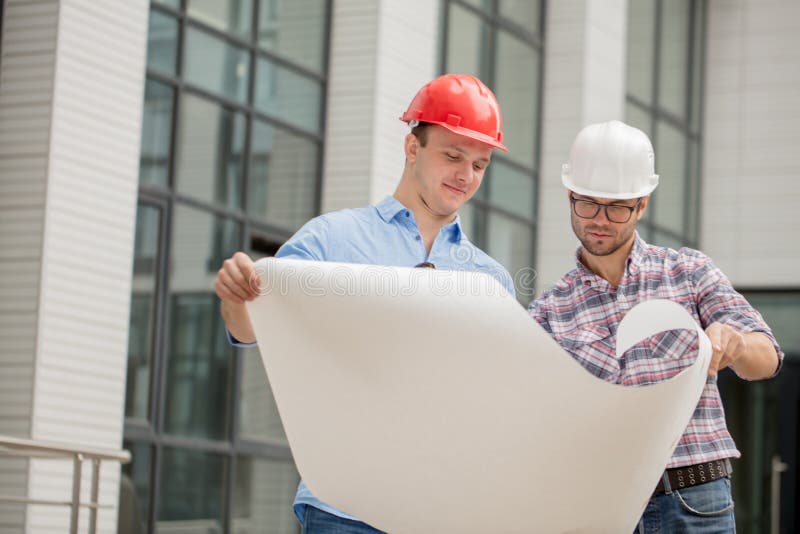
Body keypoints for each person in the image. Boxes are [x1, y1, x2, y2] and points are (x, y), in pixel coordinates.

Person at [214, 73, 515, 534]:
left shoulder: (491, 282)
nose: (465, 175)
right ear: (413, 147)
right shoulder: (333, 239)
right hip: (344, 509)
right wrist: (238, 296)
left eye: (479, 165)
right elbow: (255, 328)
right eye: (453, 156)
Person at [529, 120, 783, 532]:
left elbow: (767, 360)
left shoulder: (688, 271)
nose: (600, 219)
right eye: (587, 203)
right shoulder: (548, 311)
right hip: (602, 505)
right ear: (569, 196)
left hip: (697, 498)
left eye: (617, 207)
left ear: (642, 204)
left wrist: (736, 344)